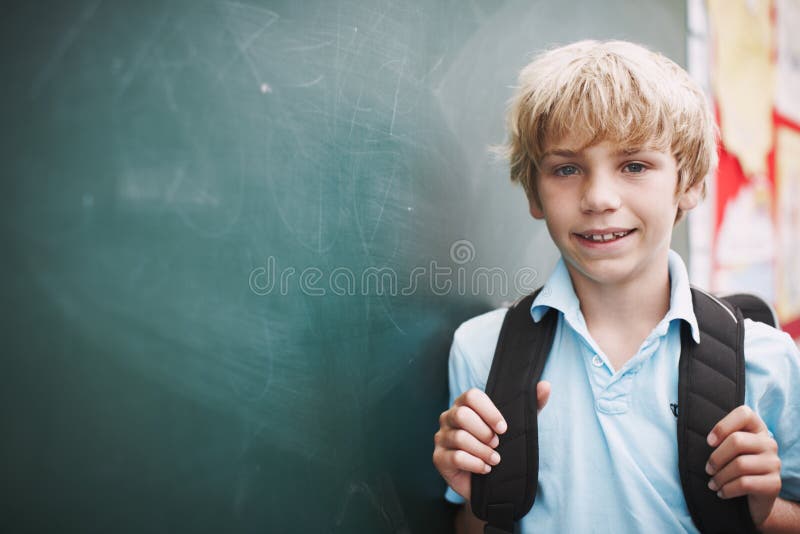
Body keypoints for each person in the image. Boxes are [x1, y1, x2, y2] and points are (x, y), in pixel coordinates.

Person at [432, 40, 800, 533]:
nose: (599, 198)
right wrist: (481, 504)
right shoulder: (484, 351)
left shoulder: (767, 359)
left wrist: (763, 512)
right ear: (534, 193)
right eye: (566, 168)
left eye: (634, 166)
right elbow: (471, 526)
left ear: (688, 183)